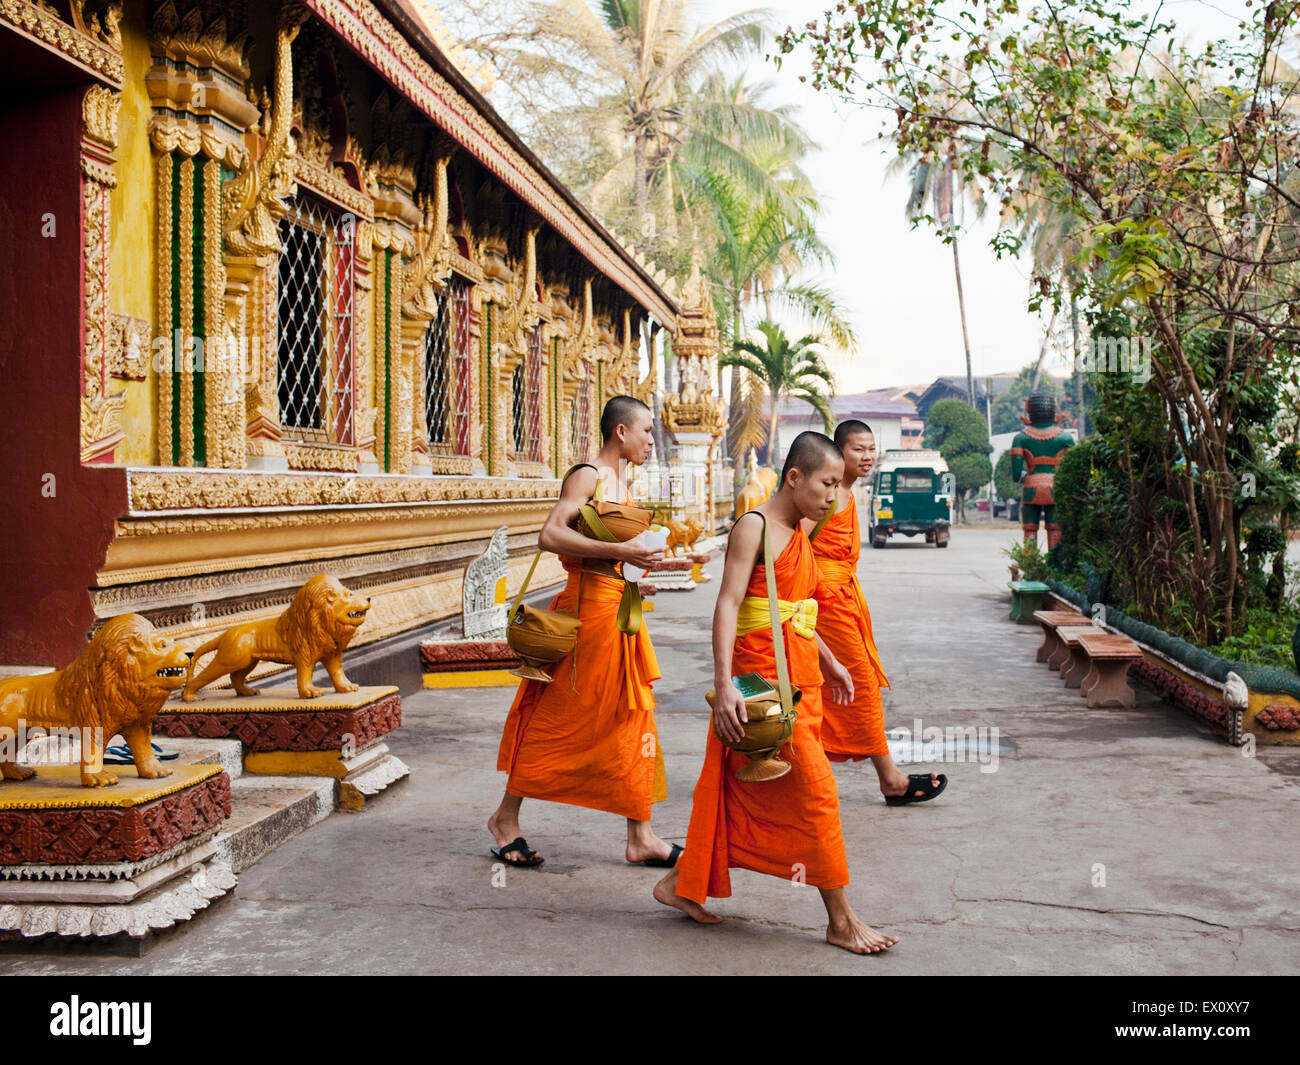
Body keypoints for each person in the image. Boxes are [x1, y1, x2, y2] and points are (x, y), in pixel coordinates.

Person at [654, 431, 899, 954]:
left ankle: (680, 883)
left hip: (802, 676)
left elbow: (798, 608)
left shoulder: (802, 526)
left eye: (837, 486)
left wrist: (830, 661)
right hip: (760, 685)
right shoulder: (756, 527)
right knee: (818, 797)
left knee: (732, 789)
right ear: (795, 478)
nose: (833, 497)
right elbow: (726, 606)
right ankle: (841, 920)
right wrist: (722, 688)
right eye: (826, 484)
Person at [490, 396, 676, 868]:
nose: (652, 440)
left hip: (619, 614)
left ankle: (641, 835)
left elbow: (614, 554)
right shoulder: (588, 475)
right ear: (621, 432)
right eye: (647, 431)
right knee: (560, 718)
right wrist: (623, 553)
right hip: (585, 616)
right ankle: (505, 819)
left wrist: (638, 564)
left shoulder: (623, 481)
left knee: (632, 719)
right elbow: (550, 535)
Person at [808, 420, 946, 806]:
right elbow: (792, 547)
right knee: (859, 685)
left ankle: (807, 770)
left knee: (830, 689)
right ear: (838, 453)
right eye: (858, 449)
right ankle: (891, 780)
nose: (867, 456)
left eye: (871, 449)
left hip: (845, 600)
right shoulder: (827, 495)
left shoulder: (849, 494)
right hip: (824, 603)